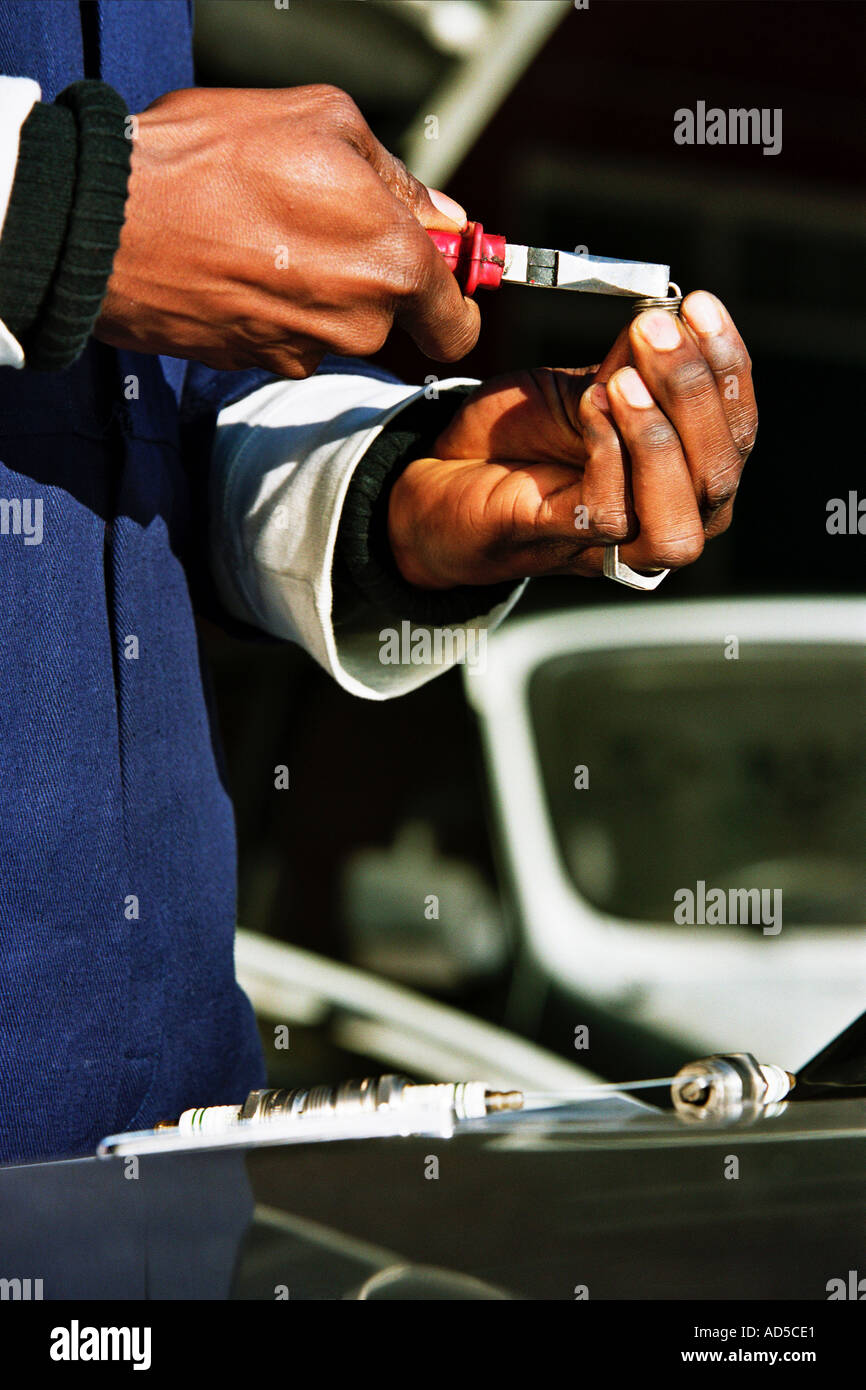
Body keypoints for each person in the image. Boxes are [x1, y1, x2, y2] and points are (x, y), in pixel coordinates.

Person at [0, 1, 756, 1165]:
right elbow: (81, 244)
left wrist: (393, 495)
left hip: (155, 1134)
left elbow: (127, 422)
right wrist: (50, 203)